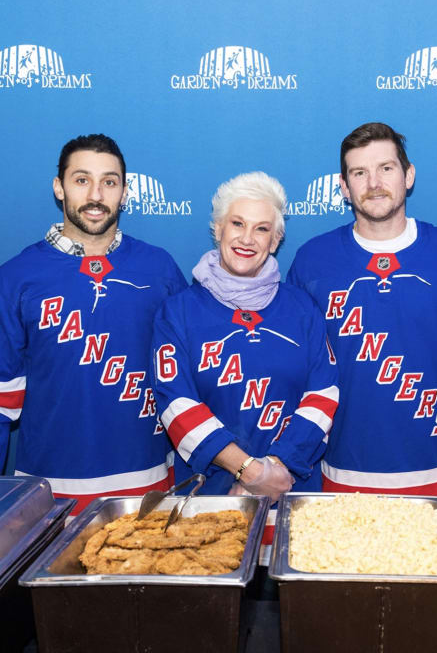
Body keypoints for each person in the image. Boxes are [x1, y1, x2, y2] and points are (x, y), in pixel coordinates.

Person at [287, 122, 437, 497]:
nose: (374, 183)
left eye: (386, 168)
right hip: (347, 471)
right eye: (359, 173)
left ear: (408, 176)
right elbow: (295, 369)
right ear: (344, 187)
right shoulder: (313, 261)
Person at [0, 134, 186, 513]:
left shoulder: (160, 268)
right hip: (49, 494)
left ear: (124, 192)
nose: (96, 195)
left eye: (109, 182)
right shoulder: (16, 277)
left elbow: (191, 382)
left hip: (149, 485)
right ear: (59, 187)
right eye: (82, 180)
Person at [152, 172, 337, 502]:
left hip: (290, 488)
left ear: (275, 241)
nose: (247, 238)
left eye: (261, 229)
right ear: (218, 229)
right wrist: (249, 472)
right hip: (208, 498)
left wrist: (273, 471)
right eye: (237, 224)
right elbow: (176, 404)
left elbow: (323, 394)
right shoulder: (177, 311)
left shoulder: (302, 308)